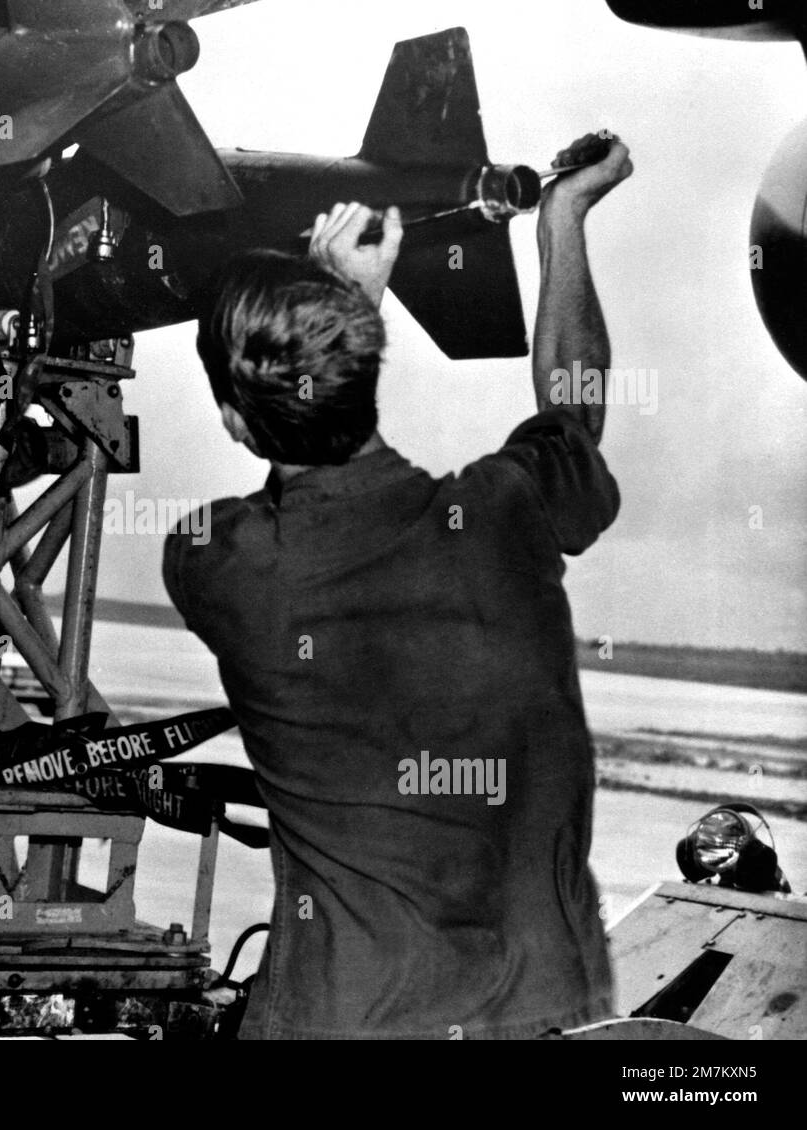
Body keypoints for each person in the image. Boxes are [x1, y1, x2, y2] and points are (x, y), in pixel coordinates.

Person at [164, 134, 635, 1039]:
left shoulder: (221, 564)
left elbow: (290, 491)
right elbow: (574, 409)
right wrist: (563, 220)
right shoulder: (508, 519)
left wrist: (341, 310)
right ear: (367, 367)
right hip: (547, 1022)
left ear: (234, 421)